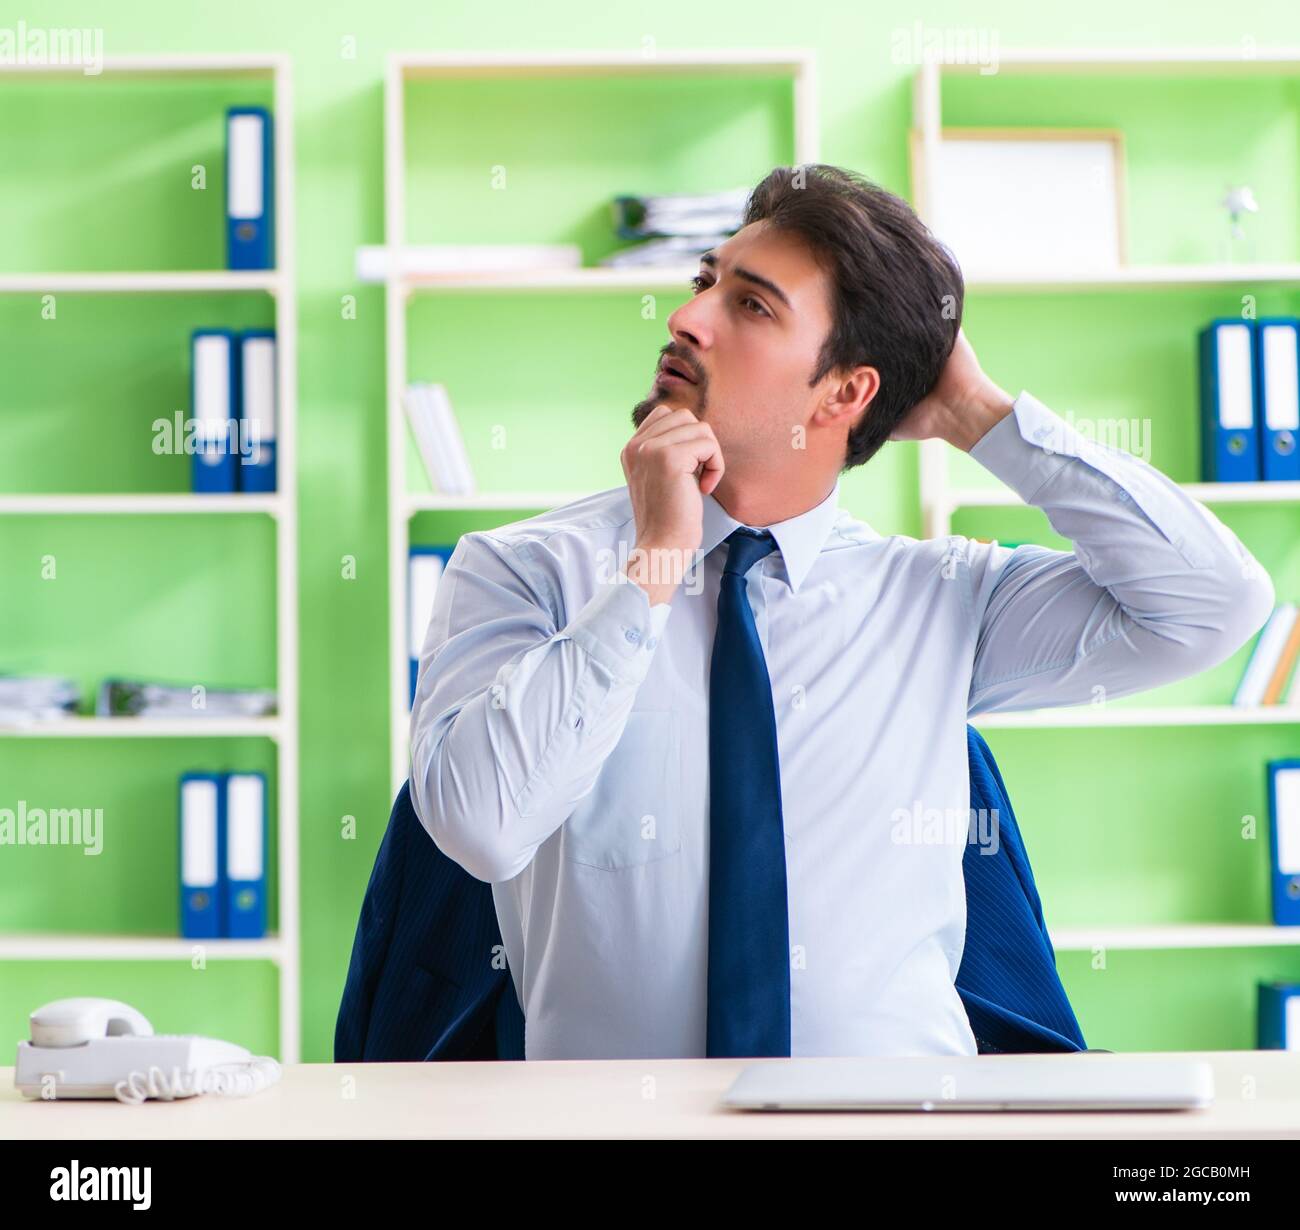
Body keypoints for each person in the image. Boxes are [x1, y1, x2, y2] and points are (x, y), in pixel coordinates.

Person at [409, 164, 1274, 1060]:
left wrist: (980, 414)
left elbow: (1214, 603)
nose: (686, 318)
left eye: (751, 306)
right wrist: (655, 562)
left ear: (846, 393)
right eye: (705, 281)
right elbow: (480, 824)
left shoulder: (941, 601)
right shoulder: (520, 570)